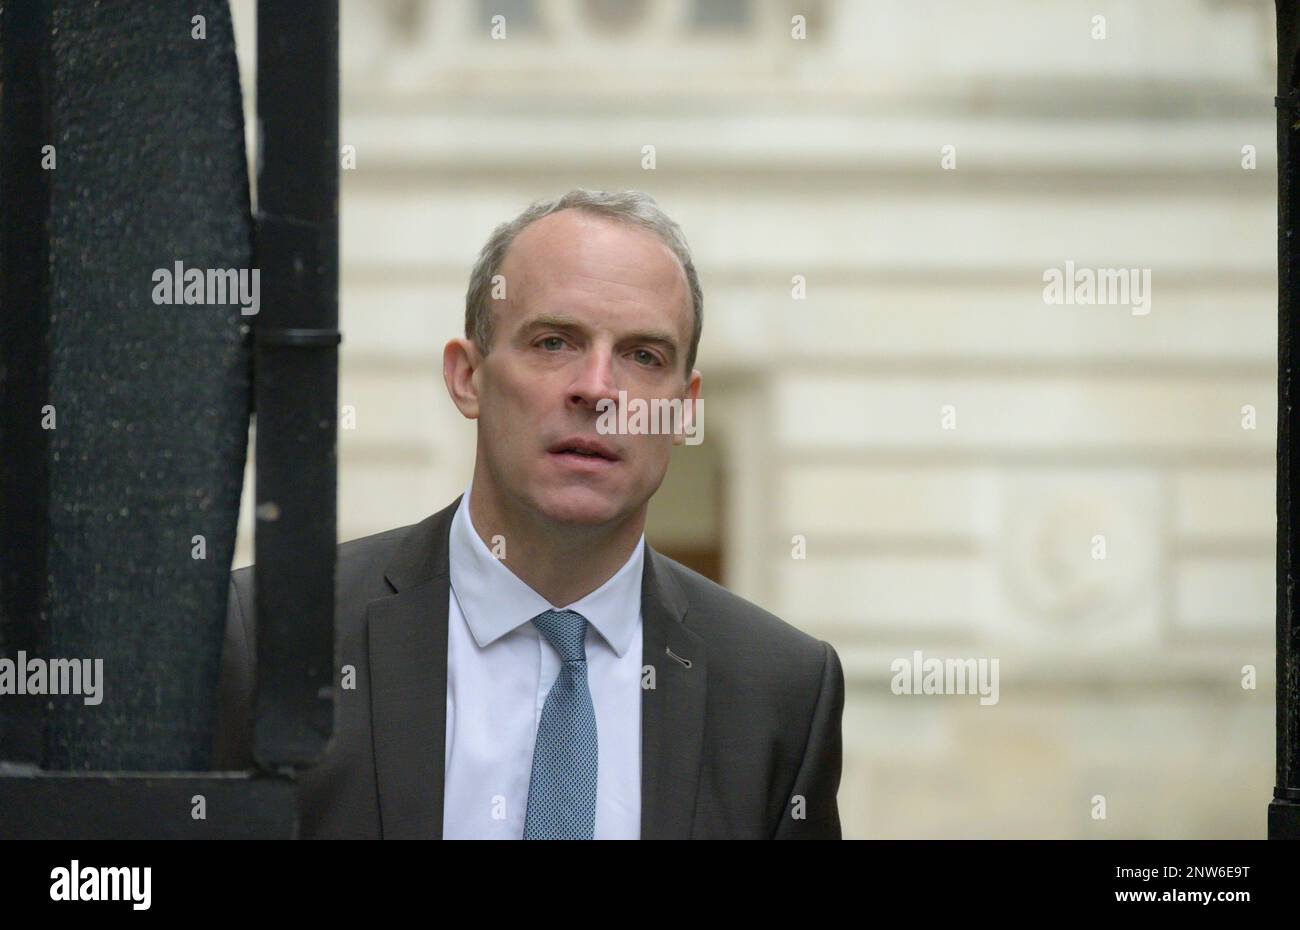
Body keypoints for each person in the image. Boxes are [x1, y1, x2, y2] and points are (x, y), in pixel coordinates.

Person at [214, 188, 845, 839]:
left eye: (643, 356)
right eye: (553, 342)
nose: (598, 389)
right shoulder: (271, 637)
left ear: (684, 410)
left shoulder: (782, 691)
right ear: (468, 378)